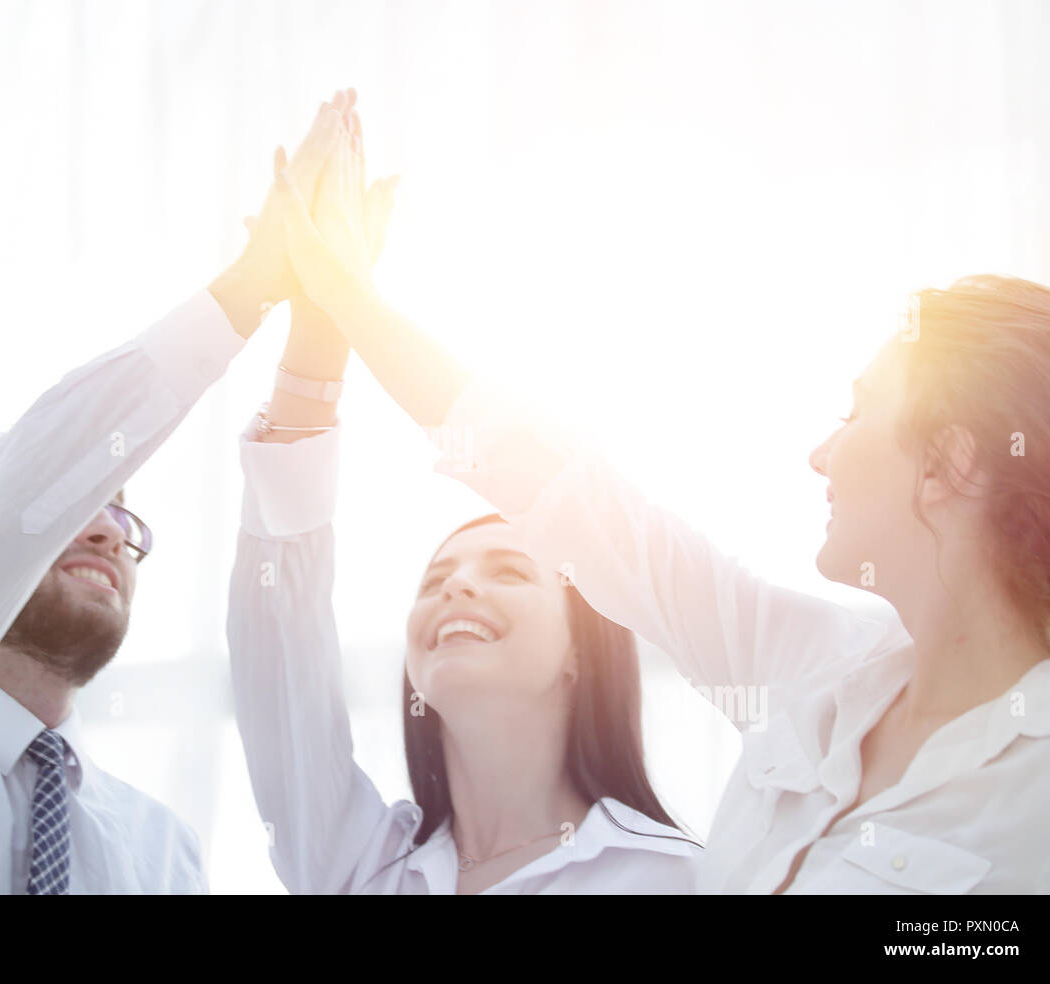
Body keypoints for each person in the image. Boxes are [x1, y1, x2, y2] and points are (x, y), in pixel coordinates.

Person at [270, 102, 1050, 893]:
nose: (820, 452)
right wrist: (346, 297)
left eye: (857, 413)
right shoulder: (818, 669)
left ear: (949, 463)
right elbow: (566, 490)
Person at [0, 89, 352, 894]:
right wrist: (255, 286)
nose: (110, 533)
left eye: (123, 517)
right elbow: (11, 512)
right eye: (78, 507)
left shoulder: (161, 849)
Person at [226, 99, 701, 894]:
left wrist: (346, 294)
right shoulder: (361, 867)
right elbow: (277, 653)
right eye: (436, 583)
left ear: (585, 647)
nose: (460, 588)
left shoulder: (676, 878)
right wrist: (318, 319)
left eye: (510, 571)